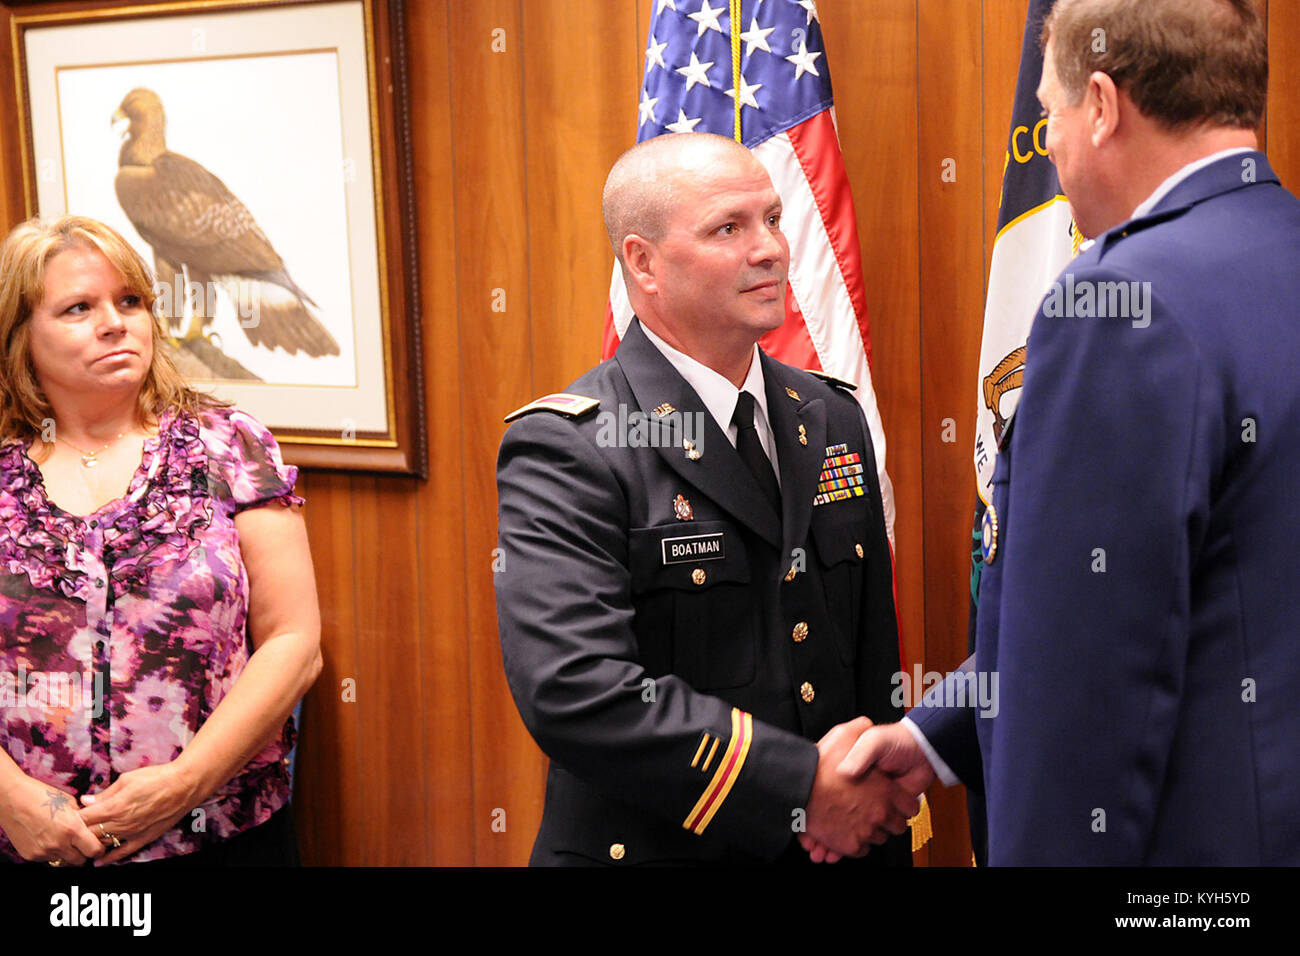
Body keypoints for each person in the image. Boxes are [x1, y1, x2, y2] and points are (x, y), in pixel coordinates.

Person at [831, 0, 1300, 865]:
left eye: (1049, 112)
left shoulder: (1123, 309)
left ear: (1103, 104)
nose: (1047, 141)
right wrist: (937, 736)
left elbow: (1087, 679)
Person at [494, 132, 916, 866]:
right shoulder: (573, 445)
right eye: (730, 228)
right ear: (643, 262)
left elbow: (871, 658)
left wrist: (870, 800)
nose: (772, 249)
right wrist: (800, 787)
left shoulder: (830, 414)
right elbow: (576, 689)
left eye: (774, 219)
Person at [0, 215, 322, 866]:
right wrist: (9, 798)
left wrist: (187, 781)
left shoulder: (228, 444)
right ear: (20, 338)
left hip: (221, 832)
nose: (115, 322)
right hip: (36, 847)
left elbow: (295, 640)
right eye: (78, 308)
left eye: (130, 301)